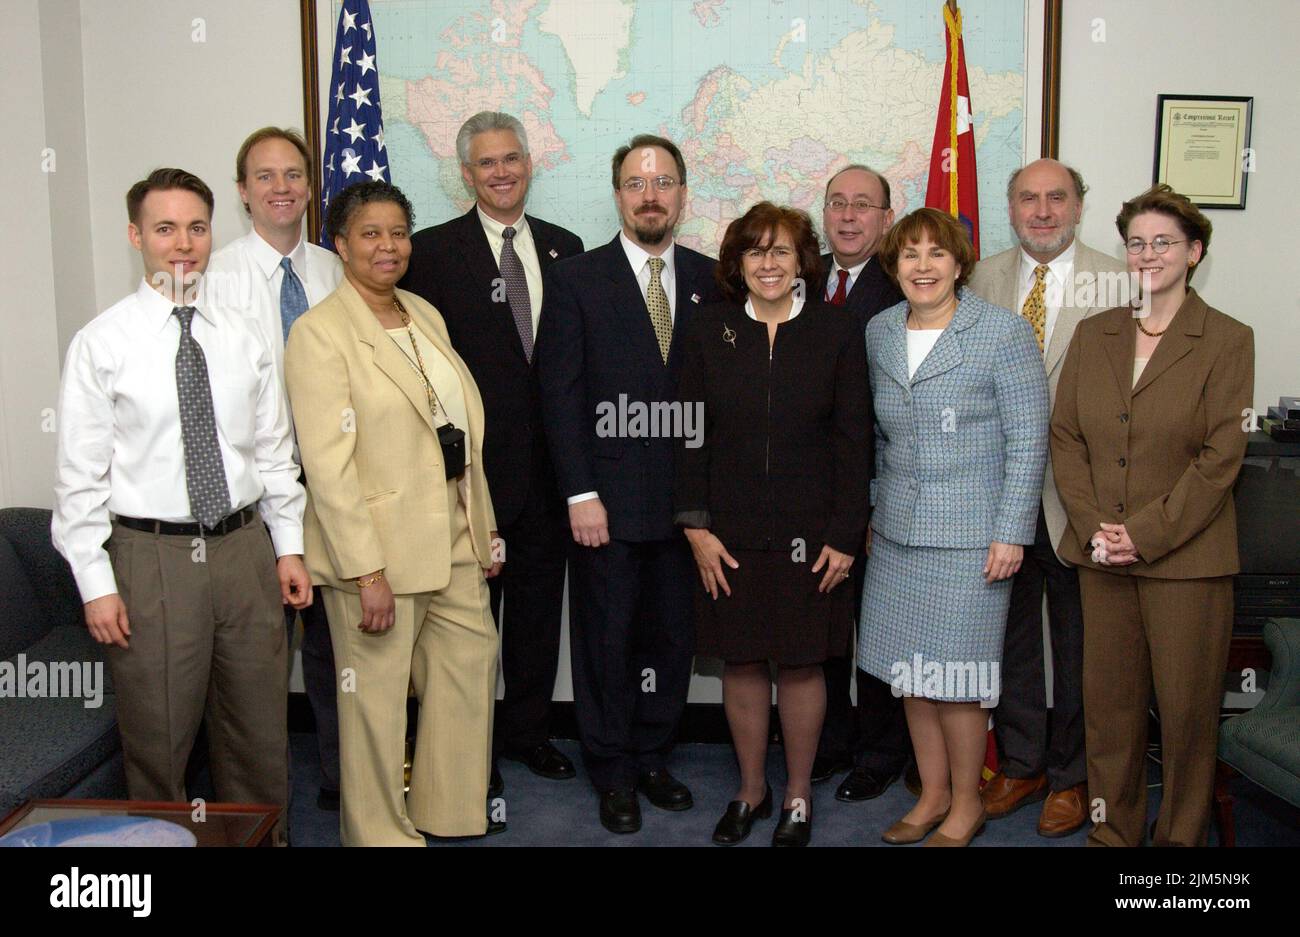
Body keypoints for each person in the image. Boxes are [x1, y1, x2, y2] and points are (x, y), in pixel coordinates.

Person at [51, 168, 311, 839]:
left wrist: (288, 547)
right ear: (136, 235)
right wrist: (96, 583)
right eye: (165, 228)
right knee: (160, 742)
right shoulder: (102, 343)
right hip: (150, 558)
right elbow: (79, 481)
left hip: (245, 550)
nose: (183, 243)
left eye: (197, 227)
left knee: (257, 733)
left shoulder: (243, 335)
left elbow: (275, 454)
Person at [284, 180, 502, 846]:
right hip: (375, 553)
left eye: (399, 232)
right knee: (375, 705)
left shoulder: (423, 315)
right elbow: (328, 467)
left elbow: (458, 433)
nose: (389, 246)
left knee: (469, 670)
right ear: (341, 243)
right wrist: (365, 569)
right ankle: (378, 833)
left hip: (454, 536)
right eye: (371, 233)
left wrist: (484, 527)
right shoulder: (319, 334)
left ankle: (445, 812)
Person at [1050, 184, 1253, 847]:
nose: (1148, 254)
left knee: (1187, 716)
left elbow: (1221, 457)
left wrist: (1144, 533)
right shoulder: (1094, 333)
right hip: (1102, 559)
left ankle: (1178, 845)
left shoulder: (1226, 340)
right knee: (1109, 714)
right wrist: (1094, 529)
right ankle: (1113, 832)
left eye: (1163, 241)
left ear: (1194, 251)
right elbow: (1067, 437)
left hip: (1186, 565)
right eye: (1136, 242)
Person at [537, 133, 721, 834]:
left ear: (682, 193)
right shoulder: (577, 279)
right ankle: (611, 769)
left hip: (686, 508)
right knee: (606, 640)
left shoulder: (710, 278)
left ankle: (652, 755)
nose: (651, 195)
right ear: (618, 194)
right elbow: (560, 393)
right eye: (638, 183)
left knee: (671, 641)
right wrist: (579, 493)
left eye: (665, 182)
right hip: (604, 507)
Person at [399, 112, 584, 793]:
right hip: (469, 480)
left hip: (549, 479)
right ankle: (467, 750)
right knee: (466, 627)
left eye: (512, 158)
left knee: (537, 619)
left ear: (529, 163)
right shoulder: (432, 253)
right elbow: (419, 373)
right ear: (466, 173)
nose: (502, 171)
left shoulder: (567, 248)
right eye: (487, 163)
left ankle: (529, 733)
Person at [675, 202, 869, 846]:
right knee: (743, 662)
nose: (768, 263)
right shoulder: (707, 328)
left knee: (804, 665)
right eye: (755, 251)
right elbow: (687, 436)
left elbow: (854, 444)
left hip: (812, 541)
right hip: (726, 537)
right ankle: (751, 789)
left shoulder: (837, 333)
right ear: (737, 263)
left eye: (781, 251)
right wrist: (696, 528)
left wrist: (845, 535)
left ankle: (796, 796)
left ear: (801, 261)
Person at [859, 207, 1049, 847]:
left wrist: (1012, 530)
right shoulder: (881, 332)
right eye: (909, 254)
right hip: (897, 535)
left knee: (959, 682)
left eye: (936, 253)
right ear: (894, 264)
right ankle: (932, 794)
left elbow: (1028, 441)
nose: (922, 266)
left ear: (959, 262)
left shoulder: (1002, 333)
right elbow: (879, 438)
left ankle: (966, 803)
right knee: (912, 675)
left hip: (972, 539)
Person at [967, 159, 1127, 836]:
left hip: (1078, 496)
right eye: (1027, 198)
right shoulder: (980, 278)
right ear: (1010, 208)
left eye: (1055, 198)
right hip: (995, 492)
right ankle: (1024, 760)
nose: (1041, 210)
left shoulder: (1119, 281)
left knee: (1081, 640)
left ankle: (1072, 772)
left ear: (1079, 206)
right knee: (1008, 638)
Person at [207, 127, 345, 811]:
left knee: (331, 642)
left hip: (331, 486)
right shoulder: (213, 276)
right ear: (242, 192)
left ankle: (339, 777)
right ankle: (255, 802)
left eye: (293, 174)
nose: (282, 187)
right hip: (249, 496)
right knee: (256, 652)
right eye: (265, 177)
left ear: (311, 187)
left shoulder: (335, 269)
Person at [811, 164, 914, 803]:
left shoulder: (907, 286)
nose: (848, 217)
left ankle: (879, 753)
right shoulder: (794, 275)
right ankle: (826, 743)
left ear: (885, 218)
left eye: (863, 206)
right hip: (803, 496)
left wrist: (873, 504)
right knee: (817, 629)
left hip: (876, 498)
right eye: (837, 204)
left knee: (876, 632)